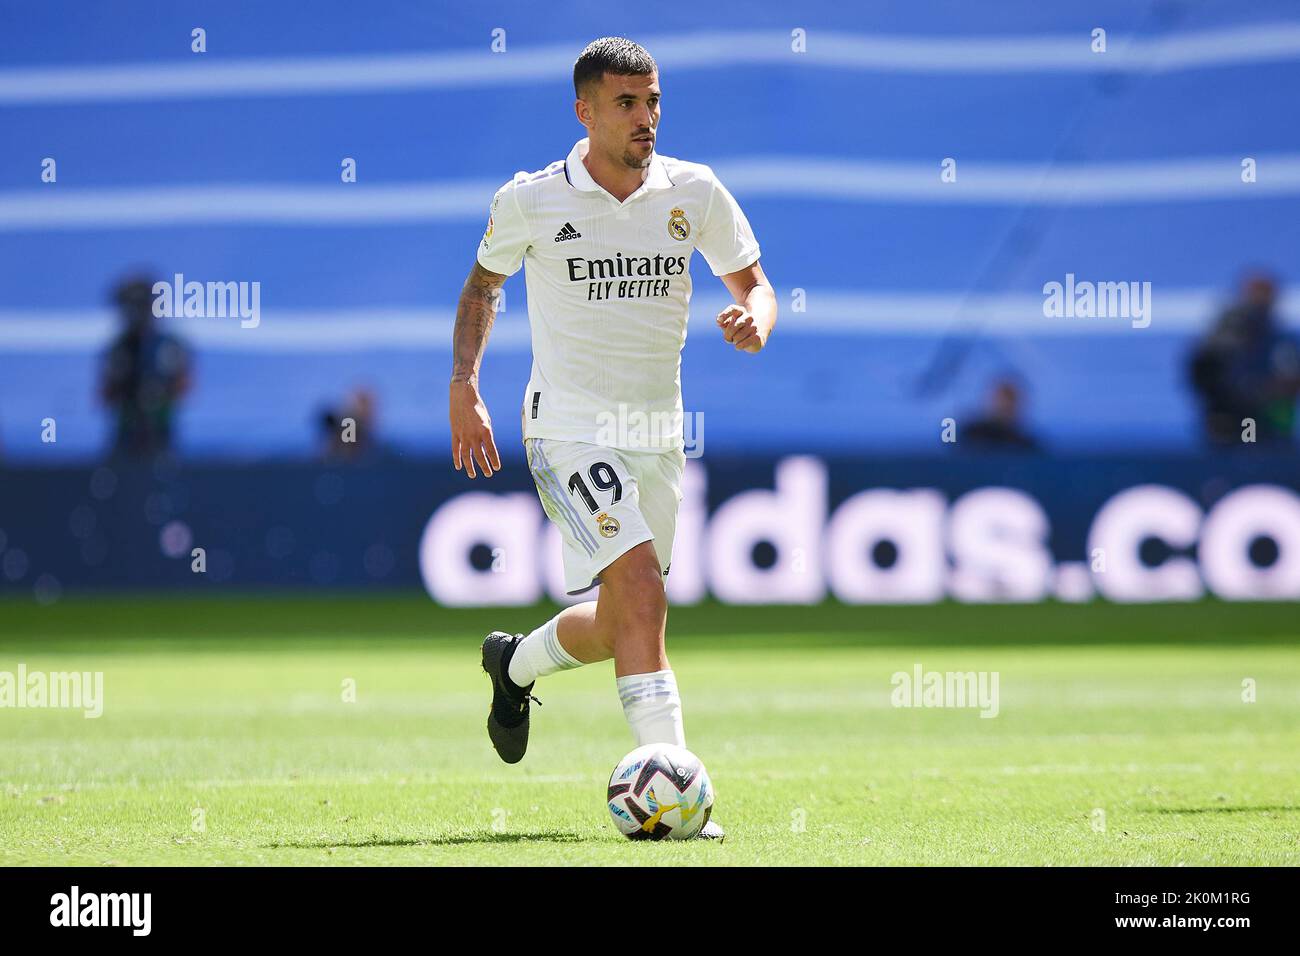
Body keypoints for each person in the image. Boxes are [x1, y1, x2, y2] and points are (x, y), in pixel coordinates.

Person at [448, 37, 777, 839]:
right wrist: (465, 386)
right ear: (584, 110)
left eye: (654, 101)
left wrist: (755, 320)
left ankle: (514, 663)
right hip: (565, 427)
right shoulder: (531, 199)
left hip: (656, 433)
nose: (646, 118)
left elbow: (757, 285)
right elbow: (484, 285)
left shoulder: (693, 192)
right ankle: (675, 797)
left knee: (622, 620)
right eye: (627, 103)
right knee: (639, 587)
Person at [1189, 273, 1300, 445]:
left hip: (1270, 423)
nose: (1261, 300)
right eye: (1257, 294)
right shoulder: (1221, 338)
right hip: (1230, 422)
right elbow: (1205, 376)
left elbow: (1289, 380)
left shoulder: (1280, 340)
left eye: (1266, 294)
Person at [100, 275, 192, 458]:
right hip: (125, 435)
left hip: (161, 434)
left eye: (140, 307)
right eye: (129, 308)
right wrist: (125, 388)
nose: (134, 315)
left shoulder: (169, 347)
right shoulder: (119, 348)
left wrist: (160, 393)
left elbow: (183, 385)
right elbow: (106, 394)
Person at [962, 379, 1038, 451]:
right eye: (1002, 400)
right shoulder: (973, 433)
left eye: (1010, 401)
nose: (1005, 405)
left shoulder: (1024, 444)